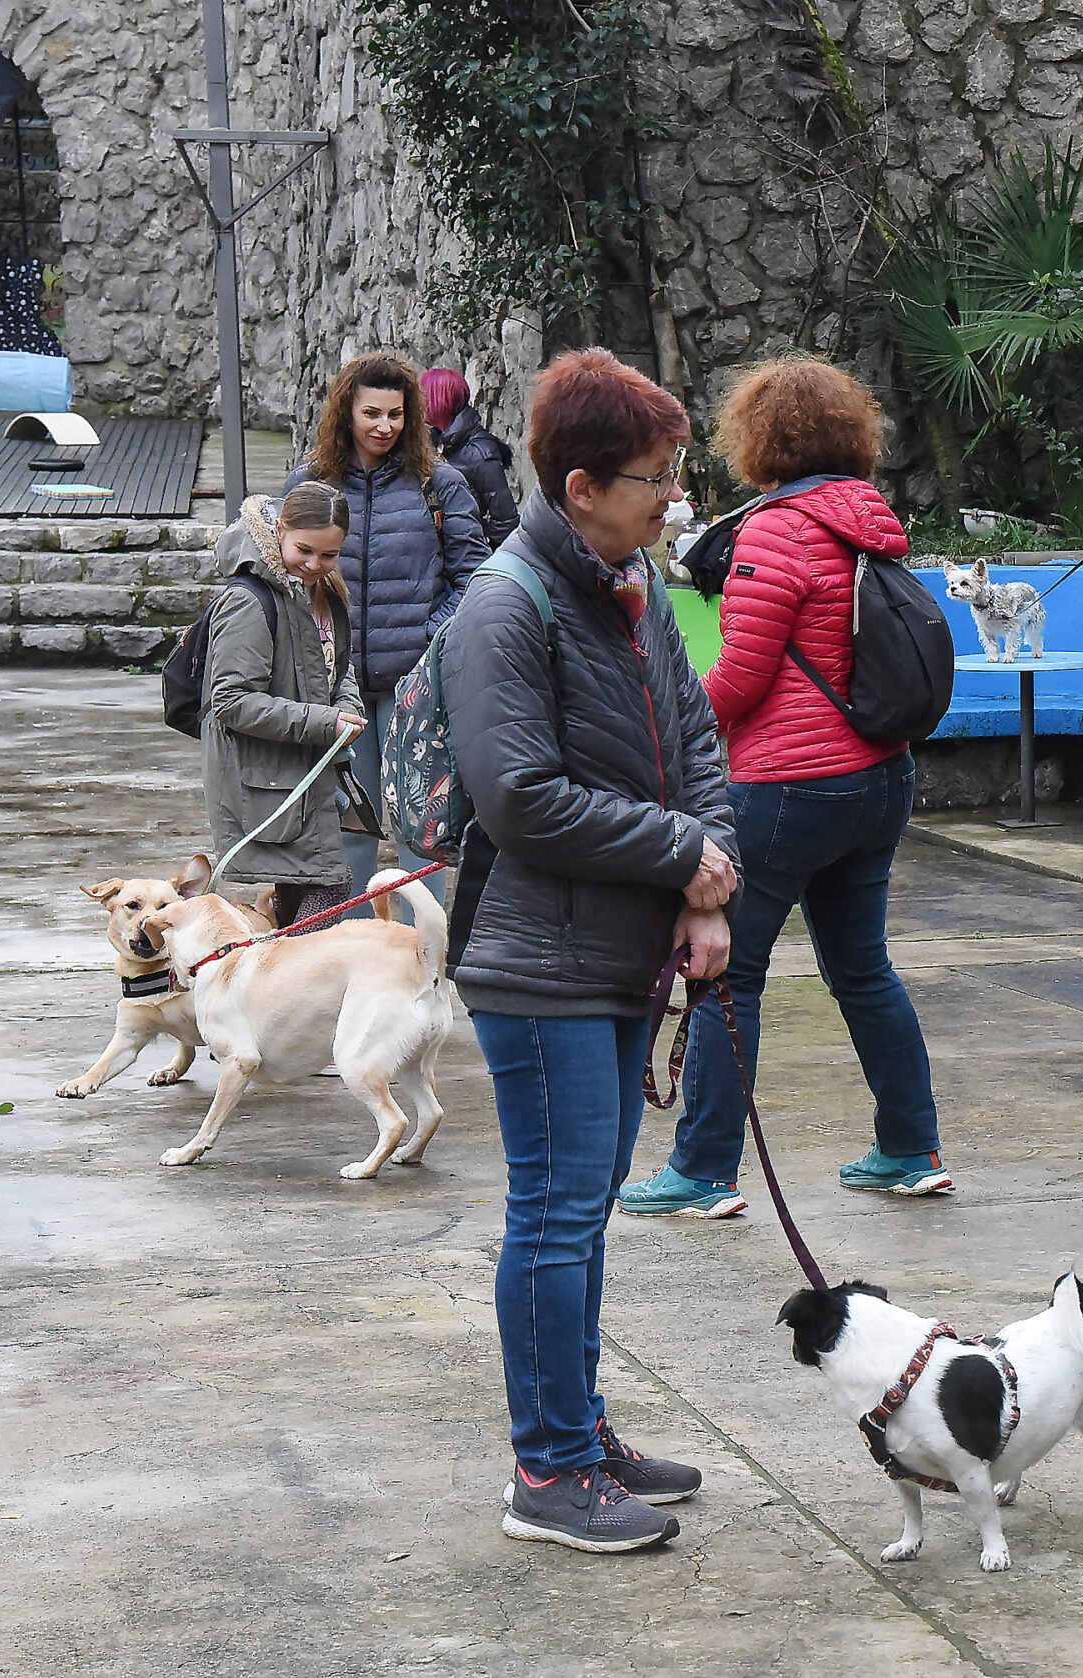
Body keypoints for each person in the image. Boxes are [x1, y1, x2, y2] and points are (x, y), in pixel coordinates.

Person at [443, 348, 739, 1553]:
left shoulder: (633, 585)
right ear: (578, 486)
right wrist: (680, 852)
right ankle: (547, 1470)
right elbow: (517, 796)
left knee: (585, 1212)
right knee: (556, 1216)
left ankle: (579, 1425)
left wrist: (707, 885)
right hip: (538, 968)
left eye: (676, 475)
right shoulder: (506, 604)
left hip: (621, 959)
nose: (675, 498)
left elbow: (698, 743)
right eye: (654, 479)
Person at [617, 358, 947, 1218]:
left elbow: (746, 675)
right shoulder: (869, 523)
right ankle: (911, 1148)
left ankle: (702, 1171)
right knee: (864, 969)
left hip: (790, 787)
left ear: (762, 439)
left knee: (729, 974)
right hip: (881, 776)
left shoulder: (775, 530)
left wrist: (672, 719)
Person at [285, 352, 489, 915]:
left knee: (424, 830)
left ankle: (422, 957)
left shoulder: (439, 485)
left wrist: (428, 634)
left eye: (396, 414)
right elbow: (284, 571)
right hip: (336, 685)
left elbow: (474, 575)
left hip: (419, 686)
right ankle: (345, 956)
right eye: (371, 412)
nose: (384, 426)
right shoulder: (310, 485)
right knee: (348, 825)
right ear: (345, 412)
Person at [201, 483, 364, 928]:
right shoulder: (249, 599)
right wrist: (325, 722)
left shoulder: (321, 590)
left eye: (329, 555)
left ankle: (281, 985)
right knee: (329, 884)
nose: (315, 564)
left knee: (300, 889)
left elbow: (336, 665)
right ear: (278, 529)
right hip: (266, 778)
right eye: (305, 550)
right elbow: (230, 701)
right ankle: (284, 977)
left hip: (304, 770)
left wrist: (345, 705)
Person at [423, 365, 520, 547]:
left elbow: (506, 520)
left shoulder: (480, 452)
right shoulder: (436, 442)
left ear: (439, 401)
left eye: (423, 397)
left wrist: (481, 557)